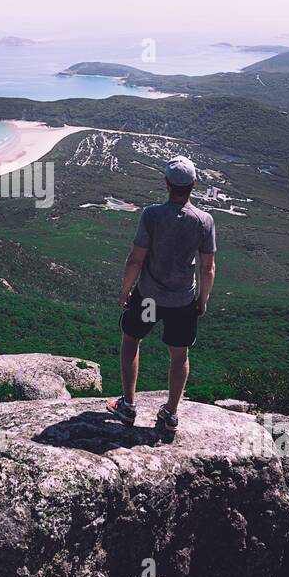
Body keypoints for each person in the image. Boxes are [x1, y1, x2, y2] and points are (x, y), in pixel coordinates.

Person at [107, 156, 216, 437]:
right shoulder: (204, 221)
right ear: (194, 184)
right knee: (179, 355)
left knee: (132, 340)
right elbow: (207, 268)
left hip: (150, 299)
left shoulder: (151, 215)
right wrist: (202, 300)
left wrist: (125, 290)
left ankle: (128, 405)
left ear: (166, 183)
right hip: (182, 301)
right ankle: (170, 413)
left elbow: (135, 260)